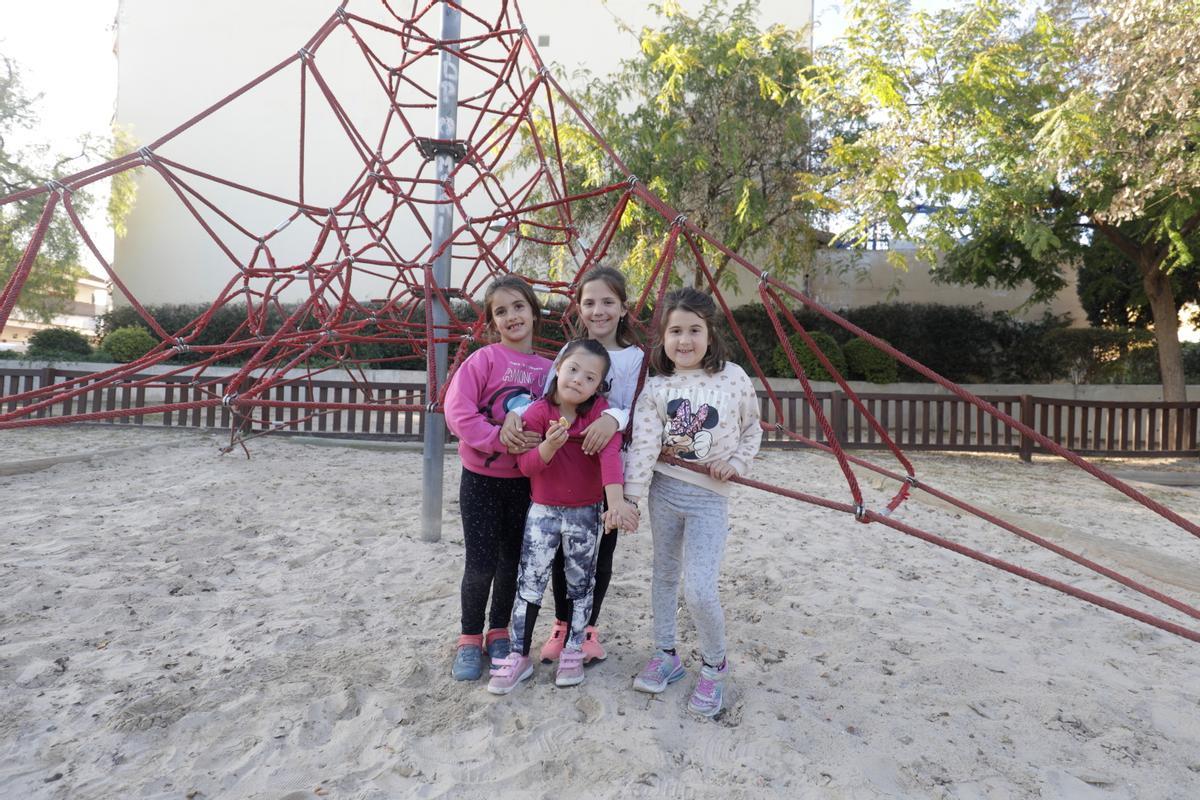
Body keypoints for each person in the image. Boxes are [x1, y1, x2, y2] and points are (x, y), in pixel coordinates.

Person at [623, 287, 763, 717]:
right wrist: (630, 496)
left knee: (700, 590)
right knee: (664, 576)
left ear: (710, 334)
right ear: (663, 337)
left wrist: (736, 462)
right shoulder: (657, 386)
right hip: (664, 491)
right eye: (675, 331)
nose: (684, 340)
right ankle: (666, 655)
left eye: (694, 330)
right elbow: (645, 445)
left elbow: (752, 428)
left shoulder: (733, 378)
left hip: (708, 499)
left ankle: (714, 666)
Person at [500, 265, 644, 664]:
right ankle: (562, 624)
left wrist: (612, 418)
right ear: (579, 308)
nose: (599, 310)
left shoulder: (635, 358)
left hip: (609, 471)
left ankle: (589, 628)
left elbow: (639, 409)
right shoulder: (570, 353)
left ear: (623, 308)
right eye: (590, 302)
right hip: (562, 468)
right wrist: (516, 413)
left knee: (600, 555)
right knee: (561, 556)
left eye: (608, 302)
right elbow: (545, 396)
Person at [487, 339, 639, 694]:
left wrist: (614, 503)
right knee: (531, 582)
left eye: (589, 377)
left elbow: (610, 457)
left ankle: (573, 650)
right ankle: (519, 654)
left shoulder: (599, 417)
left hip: (585, 514)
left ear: (598, 386)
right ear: (558, 368)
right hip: (542, 512)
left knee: (580, 585)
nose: (577, 380)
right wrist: (549, 445)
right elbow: (526, 464)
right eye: (572, 370)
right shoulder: (539, 412)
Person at [443, 275, 553, 681]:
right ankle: (470, 638)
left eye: (519, 307)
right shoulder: (484, 360)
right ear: (492, 322)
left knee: (511, 562)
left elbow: (558, 415)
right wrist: (498, 438)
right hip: (482, 480)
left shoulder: (548, 371)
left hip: (526, 483)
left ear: (534, 313)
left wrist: (539, 439)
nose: (512, 316)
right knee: (480, 563)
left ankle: (499, 632)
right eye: (501, 311)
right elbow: (458, 412)